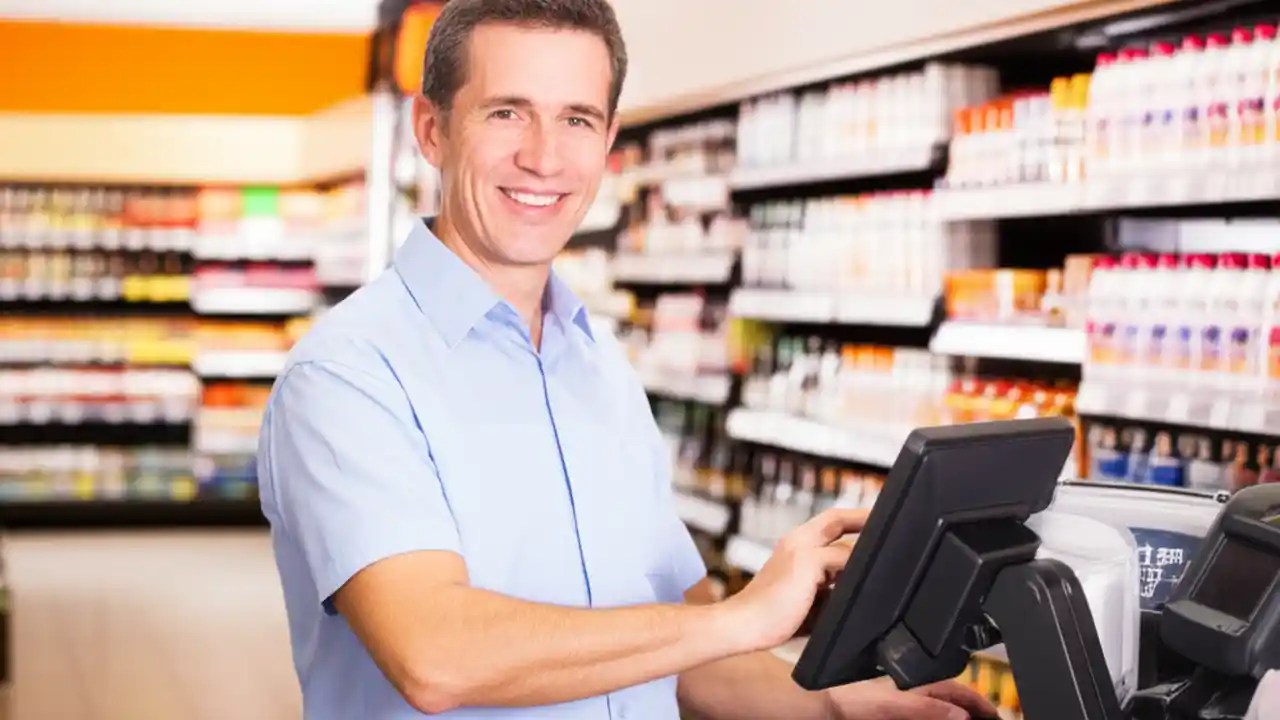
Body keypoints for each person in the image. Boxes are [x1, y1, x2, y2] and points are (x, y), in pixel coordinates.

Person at [256, 1, 999, 718]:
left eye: (575, 119)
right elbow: (435, 656)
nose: (544, 157)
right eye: (507, 111)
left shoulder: (597, 362)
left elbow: (675, 649)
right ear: (433, 128)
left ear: (608, 142)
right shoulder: (348, 374)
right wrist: (744, 616)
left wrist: (834, 707)